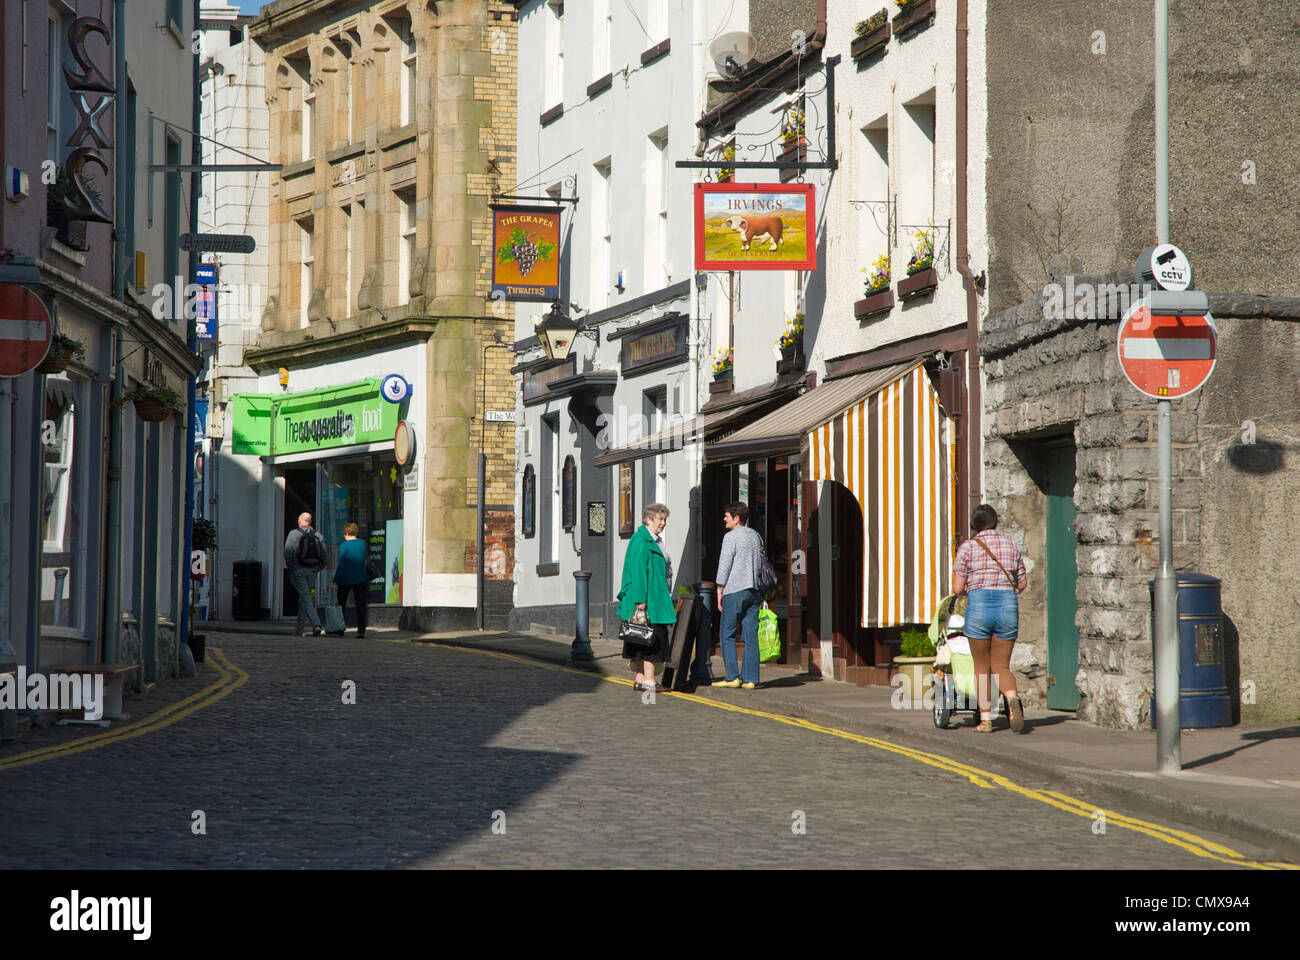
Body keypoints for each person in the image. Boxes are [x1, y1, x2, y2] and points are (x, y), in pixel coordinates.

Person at [952, 504, 1028, 733]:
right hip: (1007, 605)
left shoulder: (967, 548)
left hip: (979, 606)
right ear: (995, 522)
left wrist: (968, 587)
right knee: (1001, 666)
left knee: (981, 668)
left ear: (974, 525)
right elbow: (1022, 583)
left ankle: (986, 721)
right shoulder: (1010, 545)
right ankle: (1012, 700)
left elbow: (957, 588)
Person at [615, 503, 676, 693]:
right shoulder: (642, 541)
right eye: (660, 519)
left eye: (665, 519)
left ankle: (640, 679)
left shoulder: (652, 540)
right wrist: (641, 601)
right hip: (649, 599)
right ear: (649, 519)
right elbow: (639, 572)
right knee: (653, 639)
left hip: (654, 596)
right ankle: (650, 681)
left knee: (641, 638)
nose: (663, 523)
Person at [713, 501, 763, 690]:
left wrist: (719, 589)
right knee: (750, 635)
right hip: (753, 590)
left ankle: (732, 676)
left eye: (727, 516)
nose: (724, 519)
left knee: (727, 633)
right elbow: (759, 564)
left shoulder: (731, 537)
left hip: (734, 589)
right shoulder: (755, 535)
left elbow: (724, 564)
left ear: (736, 518)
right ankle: (751, 679)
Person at [284, 511, 325, 637]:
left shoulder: (293, 534)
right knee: (305, 597)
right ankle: (299, 630)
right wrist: (318, 568)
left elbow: (288, 552)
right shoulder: (318, 535)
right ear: (310, 522)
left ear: (299, 521)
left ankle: (316, 624)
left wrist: (292, 569)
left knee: (305, 597)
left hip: (299, 570)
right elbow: (324, 555)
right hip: (313, 571)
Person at [332, 521, 369, 638]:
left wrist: (335, 580)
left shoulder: (344, 545)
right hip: (361, 577)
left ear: (347, 533)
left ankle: (340, 628)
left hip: (345, 579)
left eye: (344, 534)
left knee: (341, 603)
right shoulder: (362, 543)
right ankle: (361, 630)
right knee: (360, 604)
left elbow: (341, 563)